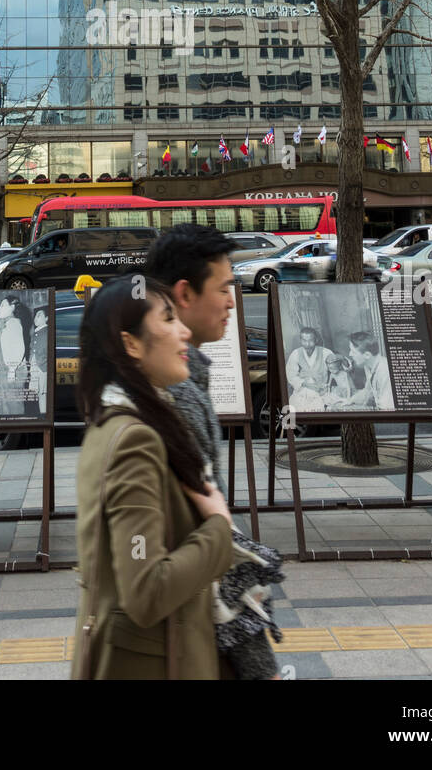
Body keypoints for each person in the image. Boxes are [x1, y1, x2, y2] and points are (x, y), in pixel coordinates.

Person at [71, 273, 234, 681]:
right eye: (168, 320)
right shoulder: (135, 442)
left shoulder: (113, 421)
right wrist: (219, 527)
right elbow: (145, 589)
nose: (184, 332)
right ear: (130, 344)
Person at [145, 224, 284, 682]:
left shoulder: (178, 378)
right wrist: (260, 671)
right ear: (185, 293)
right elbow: (214, 554)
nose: (232, 300)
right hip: (187, 637)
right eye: (224, 287)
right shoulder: (175, 395)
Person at [0, 298, 27, 415]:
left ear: (12, 307)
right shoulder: (5, 324)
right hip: (4, 369)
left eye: (2, 305)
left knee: (13, 407)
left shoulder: (13, 323)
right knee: (5, 406)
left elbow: (19, 347)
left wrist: (12, 370)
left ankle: (17, 432)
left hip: (12, 370)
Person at [346, 333, 394, 410]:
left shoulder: (385, 371)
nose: (350, 354)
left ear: (367, 355)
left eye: (353, 352)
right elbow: (368, 391)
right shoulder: (368, 365)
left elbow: (387, 408)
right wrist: (350, 400)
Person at [286, 326, 335, 398]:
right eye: (304, 340)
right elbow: (291, 375)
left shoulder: (325, 352)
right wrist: (307, 385)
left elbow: (336, 365)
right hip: (302, 390)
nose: (307, 344)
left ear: (316, 340)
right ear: (300, 340)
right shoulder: (295, 353)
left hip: (322, 390)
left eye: (310, 340)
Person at [29, 307, 48, 413]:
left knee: (43, 394)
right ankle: (43, 416)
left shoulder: (47, 331)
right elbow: (32, 350)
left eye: (39, 315)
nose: (35, 318)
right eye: (35, 315)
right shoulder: (35, 333)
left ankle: (45, 416)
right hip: (34, 367)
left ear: (46, 318)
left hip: (43, 367)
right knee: (39, 394)